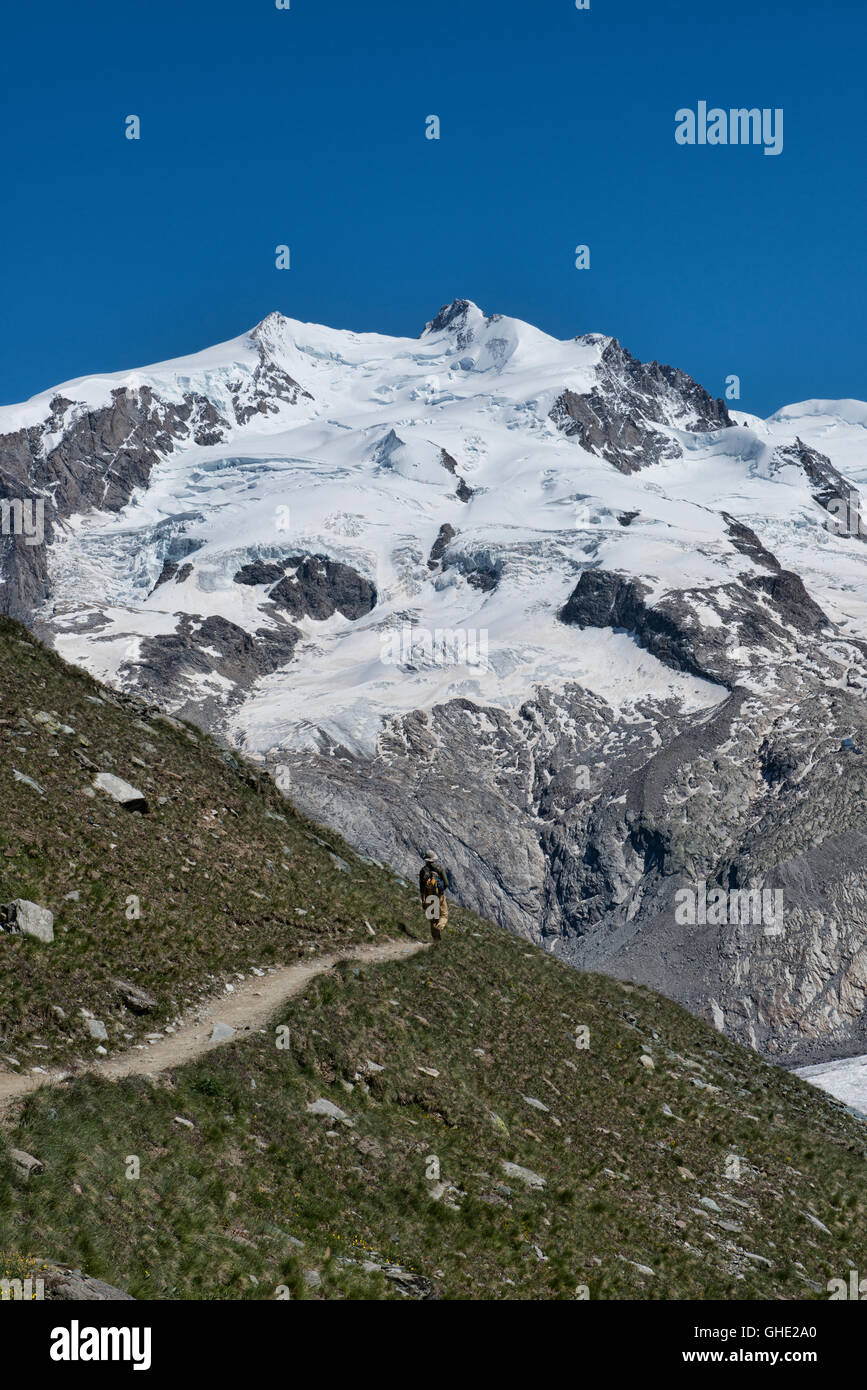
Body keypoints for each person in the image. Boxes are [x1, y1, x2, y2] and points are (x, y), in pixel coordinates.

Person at [418, 850, 450, 944]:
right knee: (444, 914)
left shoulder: (423, 871)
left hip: (428, 896)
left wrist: (423, 900)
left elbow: (421, 887)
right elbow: (446, 883)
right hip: (439, 896)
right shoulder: (439, 868)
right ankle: (439, 927)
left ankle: (435, 940)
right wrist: (441, 891)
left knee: (432, 918)